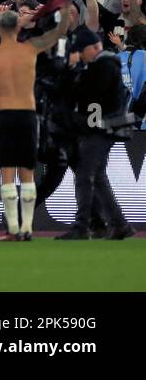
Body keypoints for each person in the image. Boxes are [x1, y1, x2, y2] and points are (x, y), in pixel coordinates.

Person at [0, 9, 68, 241]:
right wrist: (64, 10)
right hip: (28, 115)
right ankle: (27, 228)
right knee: (27, 172)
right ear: (18, 28)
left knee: (7, 173)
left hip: (4, 115)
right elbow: (59, 32)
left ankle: (13, 229)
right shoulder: (30, 49)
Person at [59, 27, 135, 240]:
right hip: (102, 126)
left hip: (101, 128)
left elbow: (89, 95)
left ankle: (82, 226)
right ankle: (119, 224)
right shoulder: (104, 64)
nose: (81, 56)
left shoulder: (103, 65)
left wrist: (74, 72)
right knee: (98, 177)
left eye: (82, 52)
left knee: (84, 175)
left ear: (92, 48)